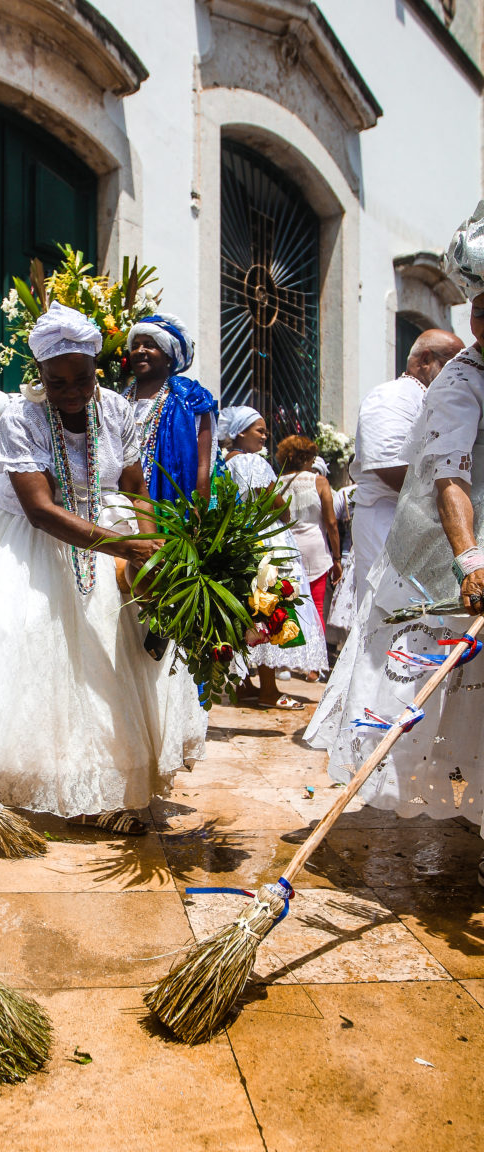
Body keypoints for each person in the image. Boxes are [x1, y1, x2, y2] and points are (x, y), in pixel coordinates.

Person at [0, 302, 206, 834]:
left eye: (80, 380)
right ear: (38, 375)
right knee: (34, 656)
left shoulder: (118, 410)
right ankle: (42, 786)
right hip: (30, 547)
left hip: (109, 538)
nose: (70, 392)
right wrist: (123, 547)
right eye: (56, 382)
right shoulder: (19, 415)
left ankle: (103, 787)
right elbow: (39, 510)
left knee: (107, 665)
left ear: (97, 370)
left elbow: (133, 487)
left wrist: (149, 547)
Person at [306, 201, 484, 881]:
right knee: (423, 680)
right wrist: (470, 558)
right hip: (437, 556)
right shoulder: (458, 388)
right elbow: (448, 480)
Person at [219, 407, 328, 709]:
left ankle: (243, 685)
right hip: (265, 540)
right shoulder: (252, 461)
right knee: (269, 606)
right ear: (241, 432)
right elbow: (271, 500)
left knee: (240, 610)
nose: (265, 436)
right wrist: (285, 510)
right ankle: (269, 687)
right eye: (260, 430)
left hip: (235, 538)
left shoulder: (223, 462)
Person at [350, 328, 463, 604]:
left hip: (420, 522)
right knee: (391, 611)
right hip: (388, 520)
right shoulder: (392, 396)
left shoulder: (429, 396)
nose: (461, 372)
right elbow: (389, 466)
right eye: (454, 362)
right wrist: (452, 497)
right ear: (425, 359)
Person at [124, 313, 217, 502]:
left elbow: (202, 468)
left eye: (149, 345)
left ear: (168, 356)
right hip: (125, 502)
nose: (140, 351)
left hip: (173, 505)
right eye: (135, 346)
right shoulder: (117, 401)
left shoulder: (189, 398)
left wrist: (199, 512)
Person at [276, 435, 342, 643]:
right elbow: (331, 523)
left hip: (287, 547)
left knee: (288, 605)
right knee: (317, 606)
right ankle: (314, 666)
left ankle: (288, 658)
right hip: (315, 548)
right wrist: (337, 558)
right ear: (305, 457)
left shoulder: (277, 483)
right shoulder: (319, 481)